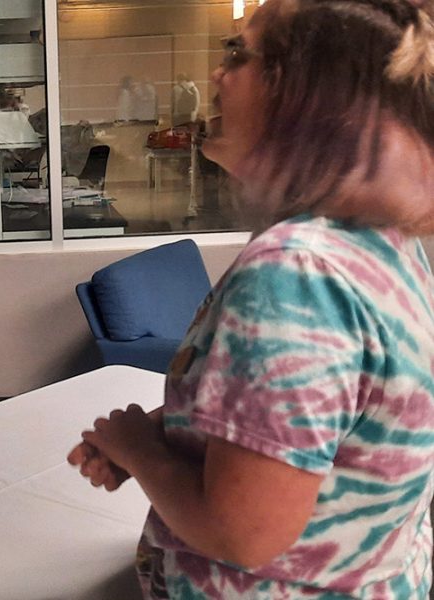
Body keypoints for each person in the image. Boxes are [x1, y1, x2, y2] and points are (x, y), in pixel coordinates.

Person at [69, 0, 434, 597]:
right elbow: (332, 416)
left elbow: (242, 536)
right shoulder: (379, 238)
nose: (215, 72)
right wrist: (167, 433)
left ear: (313, 97)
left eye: (237, 53)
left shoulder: (296, 272)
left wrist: (142, 453)